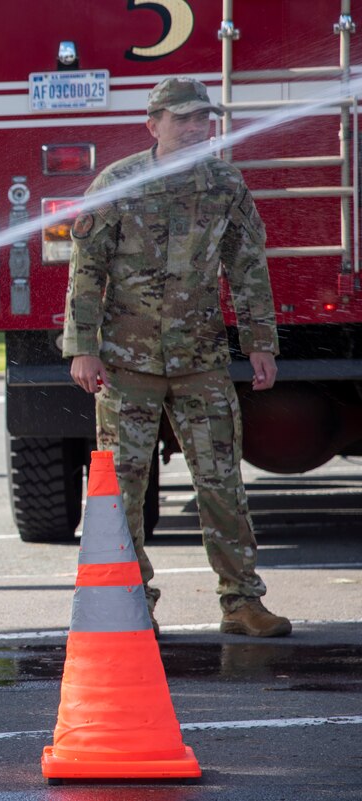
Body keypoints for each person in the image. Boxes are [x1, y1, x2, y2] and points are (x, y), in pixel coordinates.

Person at [62, 76, 290, 638]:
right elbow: (86, 273)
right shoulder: (117, 183)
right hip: (126, 365)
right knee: (125, 490)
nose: (194, 128)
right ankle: (133, 605)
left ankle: (241, 602)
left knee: (221, 483)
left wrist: (260, 341)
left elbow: (247, 266)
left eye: (201, 118)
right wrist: (82, 348)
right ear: (153, 124)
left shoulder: (225, 184)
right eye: (182, 118)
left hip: (201, 361)